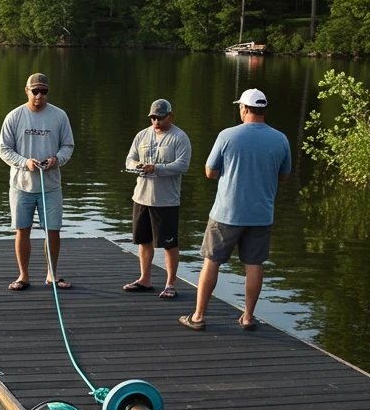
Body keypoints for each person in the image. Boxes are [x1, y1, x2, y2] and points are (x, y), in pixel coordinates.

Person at [179, 88, 292, 331]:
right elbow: (284, 176)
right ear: (263, 110)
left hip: (226, 213)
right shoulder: (281, 139)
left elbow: (209, 171)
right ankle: (248, 317)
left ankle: (198, 317)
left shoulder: (228, 135)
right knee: (254, 265)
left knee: (212, 261)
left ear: (245, 108)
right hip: (261, 214)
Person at [0, 72, 75, 293]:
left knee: (53, 229)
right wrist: (25, 163)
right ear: (27, 91)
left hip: (50, 185)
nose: (39, 96)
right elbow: (4, 149)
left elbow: (68, 146)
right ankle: (23, 275)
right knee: (22, 230)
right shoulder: (14, 116)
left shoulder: (59, 116)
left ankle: (52, 274)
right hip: (21, 185)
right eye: (35, 92)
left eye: (44, 92)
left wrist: (56, 159)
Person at [123, 99, 191, 299]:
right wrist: (136, 166)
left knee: (169, 243)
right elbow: (128, 160)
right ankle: (145, 279)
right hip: (141, 197)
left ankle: (170, 284)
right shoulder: (142, 135)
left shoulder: (180, 137)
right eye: (153, 117)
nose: (156, 121)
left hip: (166, 201)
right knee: (143, 241)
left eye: (160, 118)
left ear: (170, 115)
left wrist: (157, 168)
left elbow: (183, 165)